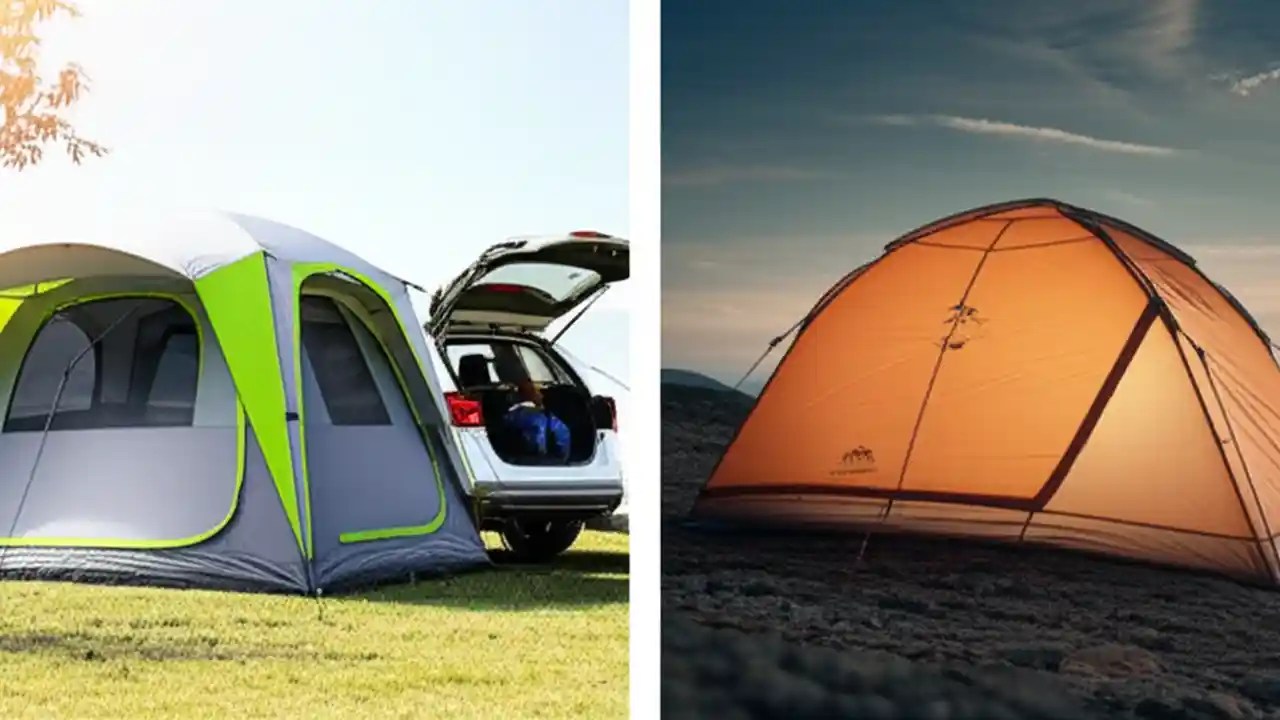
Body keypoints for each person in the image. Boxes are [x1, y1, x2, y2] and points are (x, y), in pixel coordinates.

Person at [502, 379, 571, 463]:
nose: (542, 395)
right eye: (539, 392)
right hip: (542, 463)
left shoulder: (507, 417)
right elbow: (563, 444)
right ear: (535, 395)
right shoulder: (550, 420)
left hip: (512, 462)